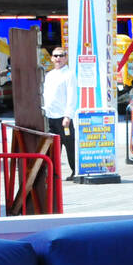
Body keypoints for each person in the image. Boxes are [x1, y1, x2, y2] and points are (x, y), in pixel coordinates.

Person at [43, 47, 79, 180]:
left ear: (66, 58)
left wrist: (68, 115)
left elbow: (72, 96)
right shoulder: (49, 75)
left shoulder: (69, 74)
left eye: (61, 55)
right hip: (50, 116)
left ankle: (75, 171)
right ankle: (53, 173)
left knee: (69, 145)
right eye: (56, 56)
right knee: (53, 148)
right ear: (52, 58)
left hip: (63, 118)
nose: (58, 58)